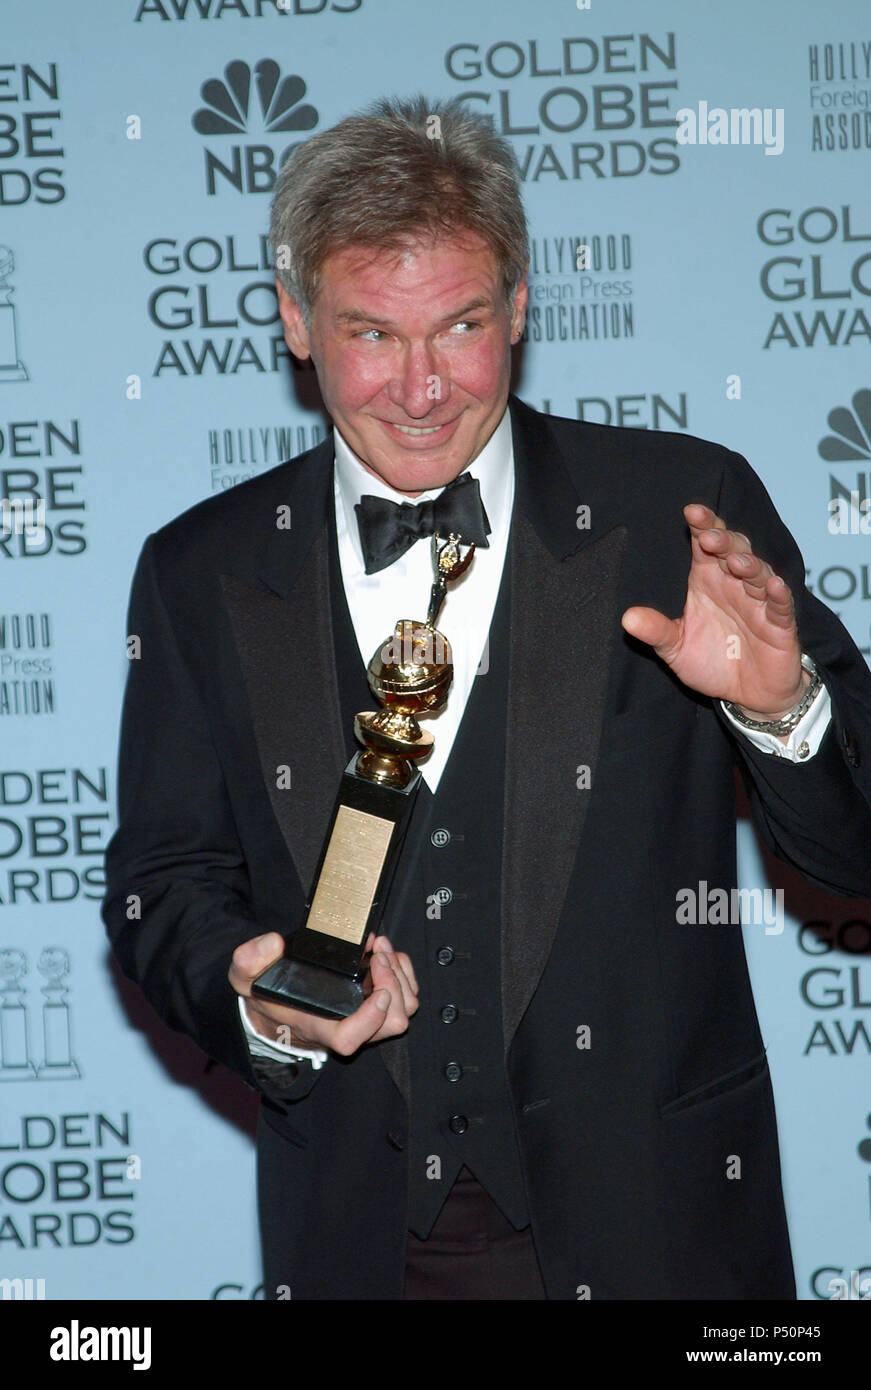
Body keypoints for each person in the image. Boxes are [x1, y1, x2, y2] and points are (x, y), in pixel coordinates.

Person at [102, 95, 871, 1301]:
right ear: (297, 322)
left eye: (459, 324)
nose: (419, 388)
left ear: (519, 306)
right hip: (360, 1240)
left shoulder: (678, 513)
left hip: (661, 1238)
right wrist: (256, 997)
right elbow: (162, 879)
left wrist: (784, 712)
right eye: (370, 331)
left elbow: (858, 849)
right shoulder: (203, 567)